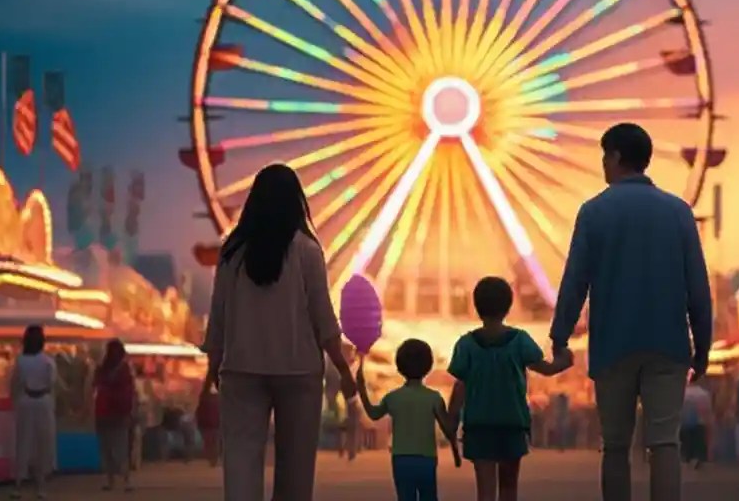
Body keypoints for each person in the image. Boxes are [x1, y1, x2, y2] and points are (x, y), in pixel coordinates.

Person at [549, 122, 713, 501]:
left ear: (617, 157)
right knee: (665, 443)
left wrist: (560, 336)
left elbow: (575, 281)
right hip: (668, 344)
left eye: (605, 156)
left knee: (616, 445)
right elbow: (697, 287)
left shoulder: (594, 212)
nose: (603, 164)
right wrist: (701, 345)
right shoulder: (678, 212)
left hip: (613, 345)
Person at [201, 163, 358, 501]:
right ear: (296, 202)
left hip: (241, 369)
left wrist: (211, 371)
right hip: (298, 371)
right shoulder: (307, 251)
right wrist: (344, 370)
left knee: (240, 462)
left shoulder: (231, 253)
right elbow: (324, 321)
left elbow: (218, 320)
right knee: (296, 470)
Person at [449, 277, 573, 501]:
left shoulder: (466, 345)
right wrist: (563, 361)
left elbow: (460, 386)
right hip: (512, 424)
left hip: (479, 426)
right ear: (508, 306)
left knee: (485, 492)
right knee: (509, 489)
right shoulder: (520, 340)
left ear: (476, 307)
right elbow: (544, 368)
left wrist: (451, 419)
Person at [357, 340, 460, 500]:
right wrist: (456, 451)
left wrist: (362, 390)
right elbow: (448, 429)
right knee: (429, 496)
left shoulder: (393, 397)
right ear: (429, 366)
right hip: (427, 459)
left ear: (399, 367)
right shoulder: (434, 398)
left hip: (401, 459)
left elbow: (373, 413)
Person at [10, 325, 58, 500]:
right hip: (43, 402)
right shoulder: (47, 361)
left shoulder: (20, 361)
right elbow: (52, 383)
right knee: (43, 443)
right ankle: (41, 486)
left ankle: (18, 485)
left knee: (23, 442)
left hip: (25, 401)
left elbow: (14, 383)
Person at [93, 339, 135, 491]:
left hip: (103, 411)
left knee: (106, 448)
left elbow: (93, 387)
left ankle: (109, 480)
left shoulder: (101, 369)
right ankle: (126, 480)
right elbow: (131, 393)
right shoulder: (125, 370)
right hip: (120, 413)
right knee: (121, 447)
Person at [679, 380, 713, 469]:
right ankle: (697, 461)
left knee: (686, 447)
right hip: (699, 424)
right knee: (698, 446)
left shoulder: (682, 393)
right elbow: (707, 411)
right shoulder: (703, 394)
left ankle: (686, 462)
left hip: (684, 424)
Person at [195, 375, 221, 467]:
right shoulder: (218, 399)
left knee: (209, 443)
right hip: (214, 424)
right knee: (214, 442)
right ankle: (213, 459)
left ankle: (212, 459)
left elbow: (199, 412)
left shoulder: (204, 399)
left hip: (207, 425)